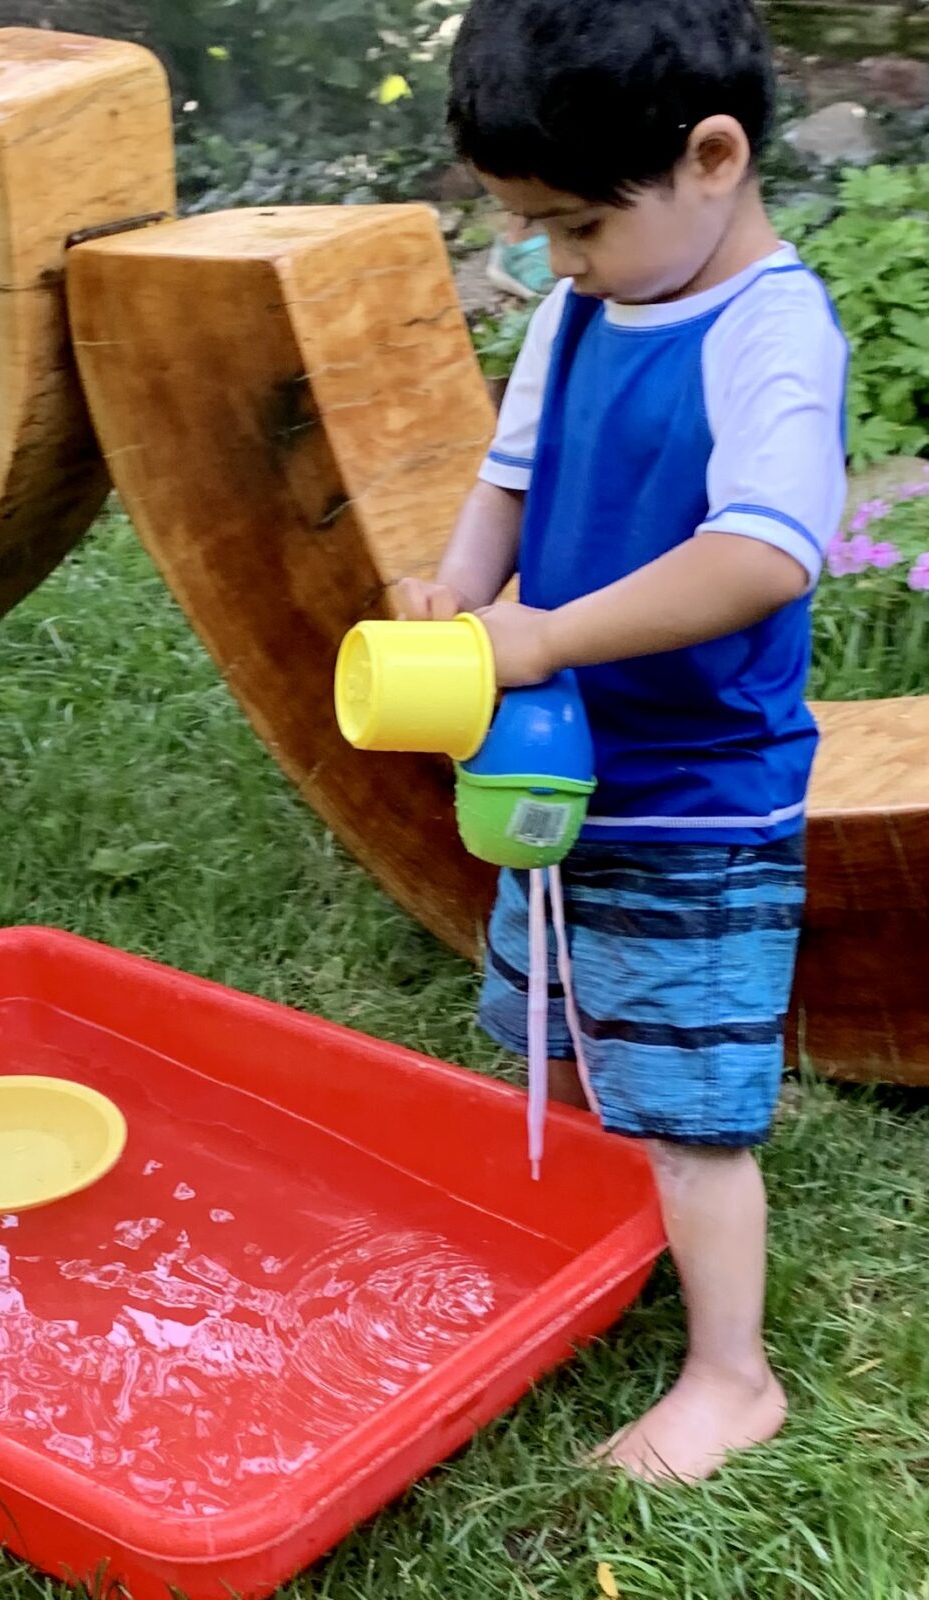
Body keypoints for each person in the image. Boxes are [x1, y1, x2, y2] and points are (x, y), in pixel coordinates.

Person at [398, 0, 848, 1483]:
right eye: (532, 227)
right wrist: (462, 589)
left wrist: (543, 635)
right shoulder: (576, 311)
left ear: (713, 157)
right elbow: (508, 478)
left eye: (579, 222)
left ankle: (733, 1375)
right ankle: (594, 1250)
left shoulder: (772, 328)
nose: (554, 257)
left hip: (696, 793)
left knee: (693, 1103)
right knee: (575, 1033)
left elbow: (764, 554)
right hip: (556, 771)